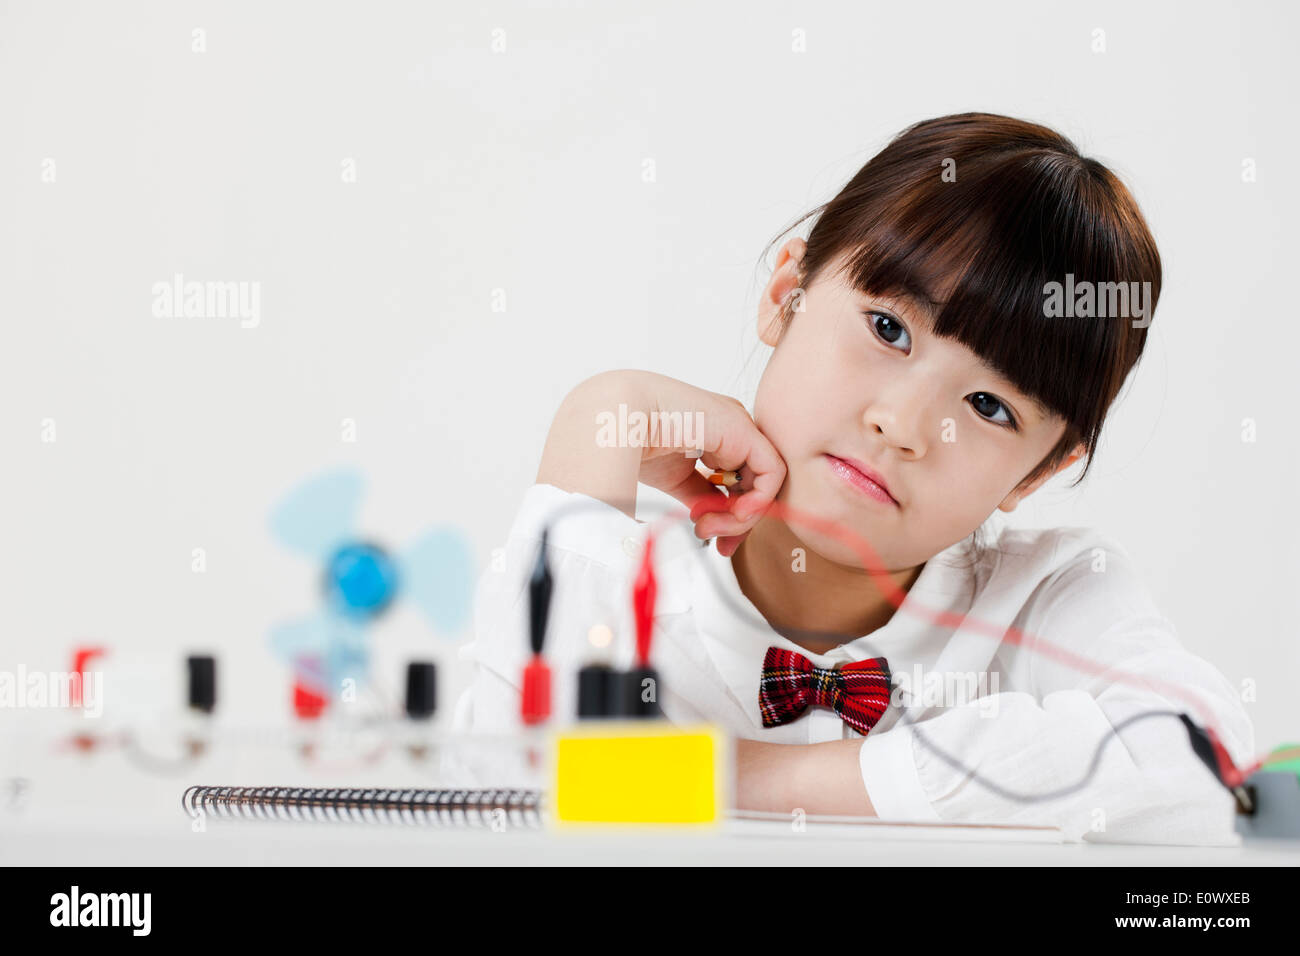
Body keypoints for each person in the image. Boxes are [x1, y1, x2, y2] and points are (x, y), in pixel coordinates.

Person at [449, 113, 1254, 845]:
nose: (902, 425)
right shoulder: (621, 582)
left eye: (987, 404)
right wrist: (601, 418)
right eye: (887, 328)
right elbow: (507, 794)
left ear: (1042, 469)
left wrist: (734, 778)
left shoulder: (1045, 596)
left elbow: (1202, 755)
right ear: (785, 294)